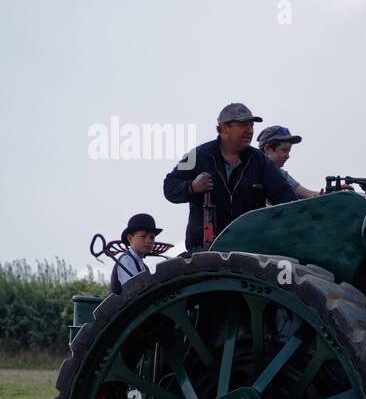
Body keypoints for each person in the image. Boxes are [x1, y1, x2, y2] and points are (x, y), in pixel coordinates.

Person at [163, 103, 297, 251]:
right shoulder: (196, 155)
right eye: (243, 125)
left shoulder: (261, 161)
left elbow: (286, 198)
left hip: (249, 250)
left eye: (251, 125)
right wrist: (192, 187)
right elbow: (169, 187)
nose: (250, 131)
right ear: (224, 128)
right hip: (204, 251)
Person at [258, 125, 319, 199]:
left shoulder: (282, 175)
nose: (287, 156)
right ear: (267, 148)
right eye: (284, 150)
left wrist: (329, 193)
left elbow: (308, 194)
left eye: (288, 151)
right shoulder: (250, 173)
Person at [111, 213, 161, 293]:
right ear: (130, 238)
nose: (149, 241)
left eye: (152, 237)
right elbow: (133, 292)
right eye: (143, 236)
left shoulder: (144, 267)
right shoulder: (126, 260)